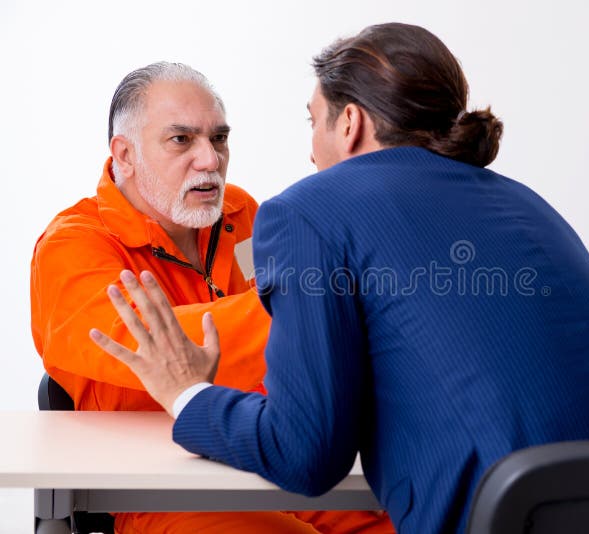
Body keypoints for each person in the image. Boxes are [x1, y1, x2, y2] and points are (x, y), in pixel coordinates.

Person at [90, 25, 589, 534]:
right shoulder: (523, 201)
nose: (311, 151)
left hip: (521, 518)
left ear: (351, 123)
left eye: (312, 121)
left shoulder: (307, 209)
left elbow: (306, 452)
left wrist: (186, 396)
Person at [30, 62, 392, 534]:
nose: (210, 160)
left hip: (260, 452)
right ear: (125, 155)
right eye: (182, 140)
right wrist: (316, 309)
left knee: (400, 517)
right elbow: (148, 344)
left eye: (219, 139)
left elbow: (289, 322)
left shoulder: (241, 214)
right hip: (160, 490)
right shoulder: (72, 246)